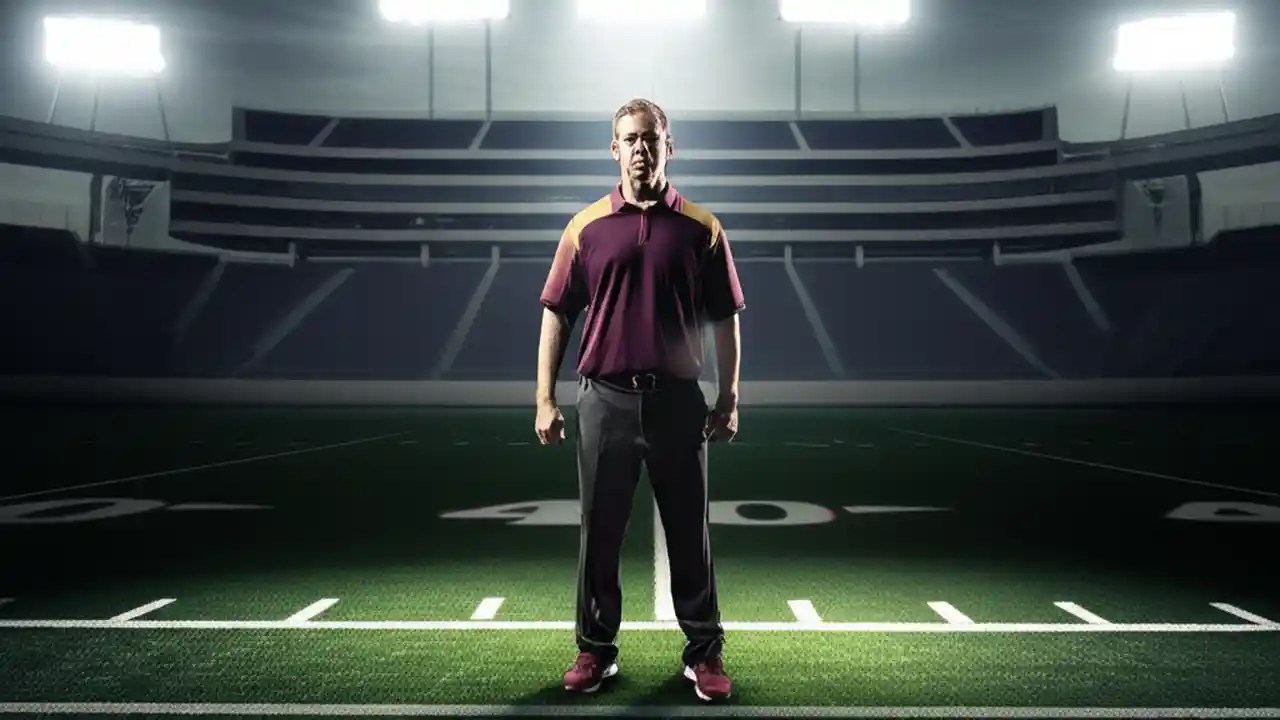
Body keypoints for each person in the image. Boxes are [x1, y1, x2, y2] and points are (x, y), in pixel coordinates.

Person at [534, 97, 745, 702]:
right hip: (603, 399)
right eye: (629, 139)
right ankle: (595, 652)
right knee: (599, 532)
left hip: (680, 401)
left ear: (668, 147)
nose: (640, 148)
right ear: (614, 149)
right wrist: (545, 397)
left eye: (650, 137)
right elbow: (556, 312)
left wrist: (728, 397)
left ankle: (704, 654)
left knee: (689, 530)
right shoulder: (584, 226)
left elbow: (727, 317)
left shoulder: (702, 227)